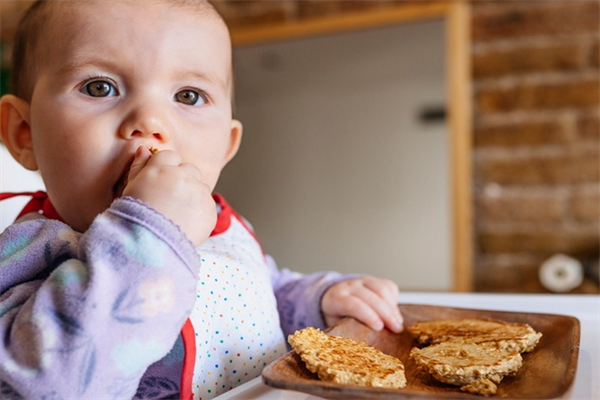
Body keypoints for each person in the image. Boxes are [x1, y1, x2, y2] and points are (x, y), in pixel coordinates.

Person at [0, 1, 404, 399]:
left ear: (225, 147)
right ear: (24, 133)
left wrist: (315, 302)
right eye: (99, 87)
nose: (151, 122)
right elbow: (53, 383)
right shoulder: (29, 252)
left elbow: (257, 290)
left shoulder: (224, 226)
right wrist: (149, 234)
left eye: (189, 96)